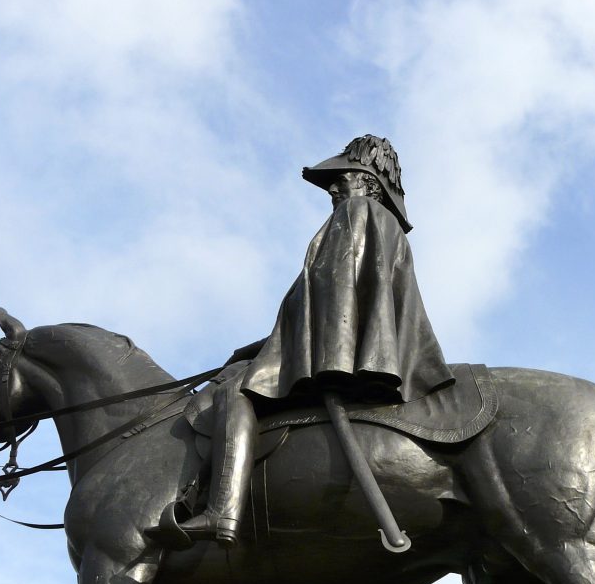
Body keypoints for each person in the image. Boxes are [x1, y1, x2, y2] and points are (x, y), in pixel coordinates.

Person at [161, 134, 453, 545]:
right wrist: (257, 348)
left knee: (233, 393)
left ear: (369, 184)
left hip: (340, 355)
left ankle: (221, 513)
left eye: (342, 178)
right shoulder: (385, 227)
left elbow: (332, 295)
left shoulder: (356, 212)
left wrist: (279, 354)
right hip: (366, 350)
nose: (333, 188)